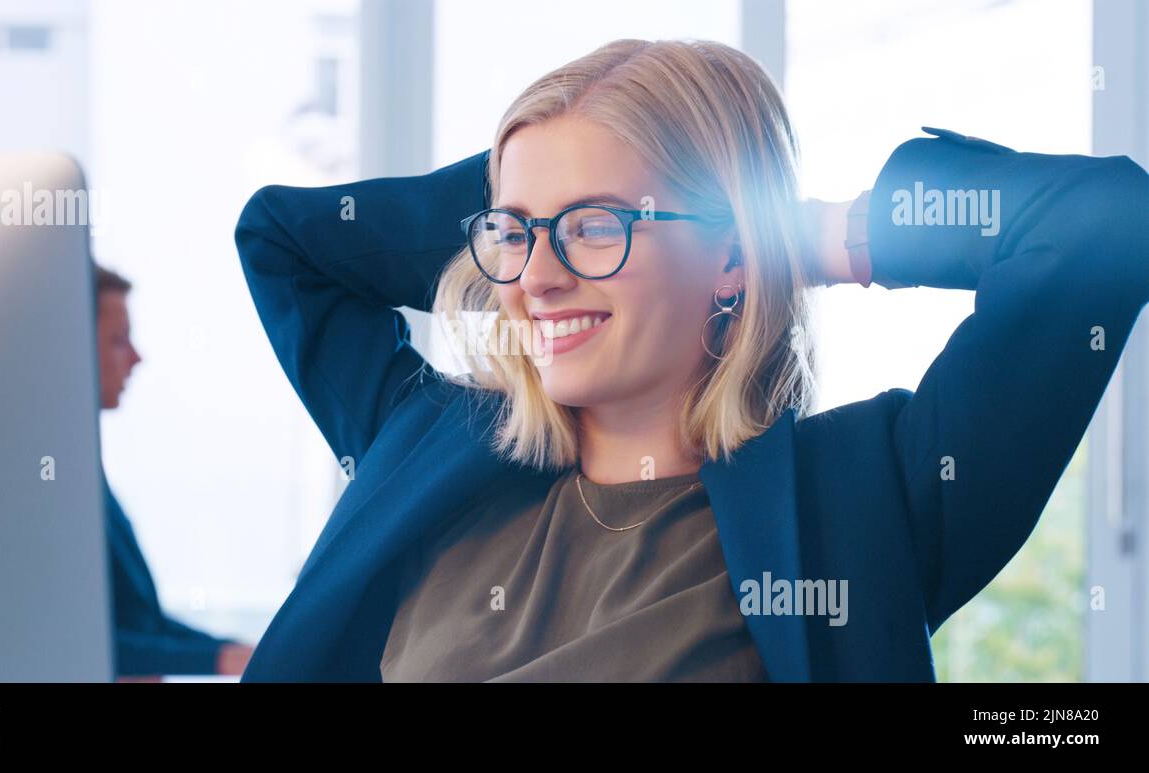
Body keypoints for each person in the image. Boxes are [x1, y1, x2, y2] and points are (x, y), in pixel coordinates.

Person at [233, 39, 1148, 681]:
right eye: (512, 233)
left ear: (729, 252)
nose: (537, 280)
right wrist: (538, 197)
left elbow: (1102, 222)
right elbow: (284, 243)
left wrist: (815, 236)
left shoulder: (865, 499)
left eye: (597, 226)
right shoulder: (426, 440)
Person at [93, 264, 254, 678]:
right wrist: (221, 659)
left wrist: (239, 653)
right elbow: (77, 636)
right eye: (117, 340)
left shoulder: (87, 477)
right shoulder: (49, 487)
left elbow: (142, 623)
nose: (135, 357)